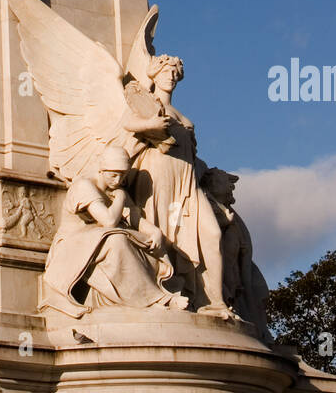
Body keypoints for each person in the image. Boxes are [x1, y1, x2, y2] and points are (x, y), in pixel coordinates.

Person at [123, 56, 232, 317]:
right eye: (165, 72)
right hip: (158, 175)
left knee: (212, 234)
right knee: (166, 235)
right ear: (154, 75)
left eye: (174, 73)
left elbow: (192, 156)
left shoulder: (180, 114)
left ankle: (215, 301)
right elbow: (127, 125)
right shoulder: (148, 105)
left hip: (188, 182)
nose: (170, 77)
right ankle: (166, 293)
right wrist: (151, 125)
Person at [42, 146, 185, 318]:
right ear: (101, 169)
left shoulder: (115, 191)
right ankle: (158, 299)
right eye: (113, 174)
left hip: (96, 240)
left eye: (123, 175)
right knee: (117, 239)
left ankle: (156, 293)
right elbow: (109, 221)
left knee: (147, 242)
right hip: (72, 245)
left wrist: (154, 231)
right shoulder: (84, 186)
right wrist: (121, 197)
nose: (118, 180)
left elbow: (134, 218)